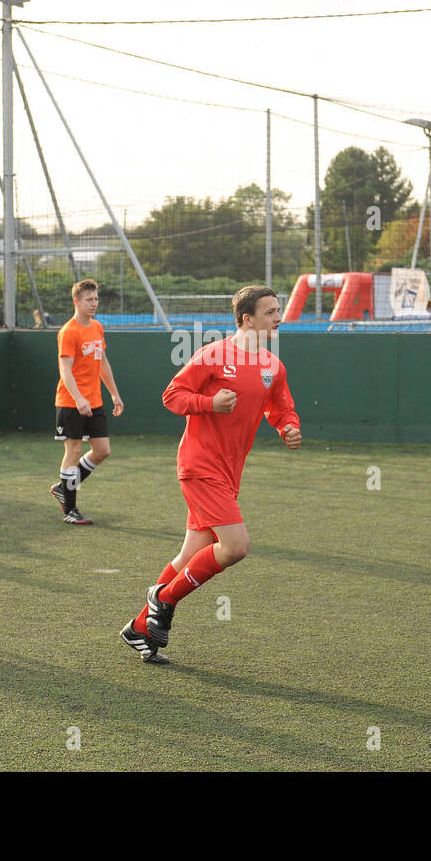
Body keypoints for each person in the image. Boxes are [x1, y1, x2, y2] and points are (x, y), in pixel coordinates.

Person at [119, 285, 301, 665]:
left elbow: (279, 407)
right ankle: (162, 599)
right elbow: (172, 396)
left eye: (278, 310)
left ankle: (139, 627)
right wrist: (209, 403)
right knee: (235, 546)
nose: (278, 318)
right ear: (247, 319)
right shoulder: (213, 355)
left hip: (229, 473)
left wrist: (288, 426)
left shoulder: (273, 366)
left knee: (192, 553)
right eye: (270, 312)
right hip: (199, 466)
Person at [49, 279, 124, 525]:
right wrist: (79, 398)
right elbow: (65, 370)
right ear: (76, 302)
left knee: (103, 450)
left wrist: (114, 393)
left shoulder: (97, 327)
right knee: (74, 451)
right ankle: (70, 508)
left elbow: (102, 363)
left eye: (96, 299)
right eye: (89, 300)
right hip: (71, 402)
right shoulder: (69, 331)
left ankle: (63, 488)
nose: (94, 304)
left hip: (94, 401)